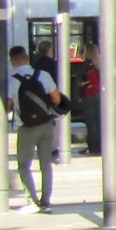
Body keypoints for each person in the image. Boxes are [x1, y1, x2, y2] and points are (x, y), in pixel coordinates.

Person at [6, 43, 65, 212]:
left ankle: (32, 201)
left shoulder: (12, 81)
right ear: (27, 58)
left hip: (27, 127)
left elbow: (8, 106)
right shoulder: (43, 75)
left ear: (12, 61)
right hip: (46, 124)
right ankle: (46, 201)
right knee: (46, 163)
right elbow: (56, 98)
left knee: (24, 165)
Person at [76, 41, 104, 155]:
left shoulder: (86, 64)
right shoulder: (102, 63)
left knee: (91, 123)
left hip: (89, 95)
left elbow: (79, 80)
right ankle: (102, 146)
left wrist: (82, 85)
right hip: (101, 95)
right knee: (100, 121)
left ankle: (93, 147)